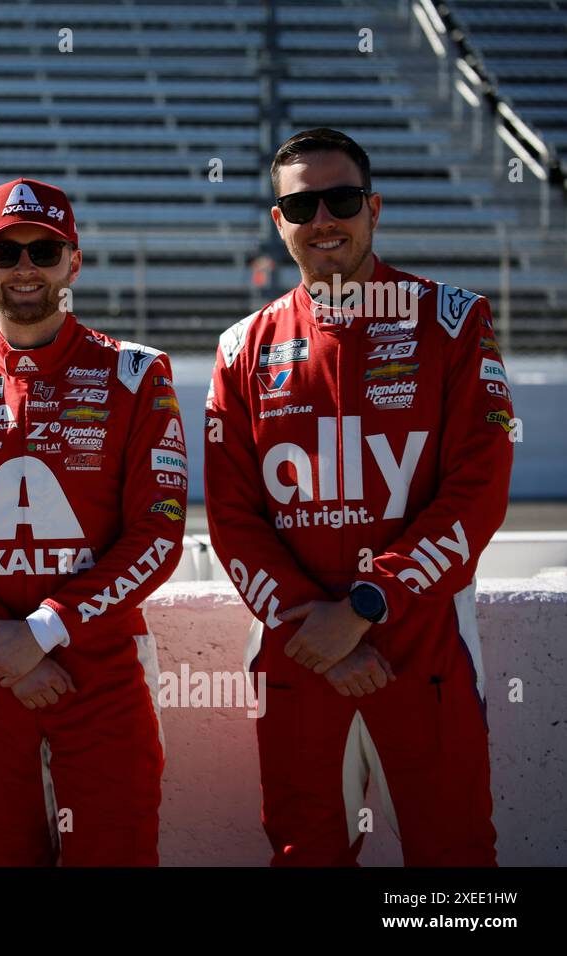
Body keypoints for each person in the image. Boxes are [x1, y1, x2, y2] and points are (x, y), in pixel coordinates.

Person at [204, 127, 513, 866]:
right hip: (298, 647)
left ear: (373, 208)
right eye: (301, 205)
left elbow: (479, 490)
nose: (323, 220)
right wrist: (319, 632)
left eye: (340, 199)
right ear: (280, 223)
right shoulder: (242, 347)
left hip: (424, 641)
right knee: (304, 851)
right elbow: (234, 519)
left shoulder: (453, 319)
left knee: (456, 860)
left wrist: (368, 606)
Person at [0, 178, 186, 866]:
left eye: (44, 250)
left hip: (104, 674)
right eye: (6, 250)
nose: (25, 266)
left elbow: (158, 533)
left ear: (74, 263)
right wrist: (4, 649)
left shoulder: (137, 376)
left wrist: (45, 631)